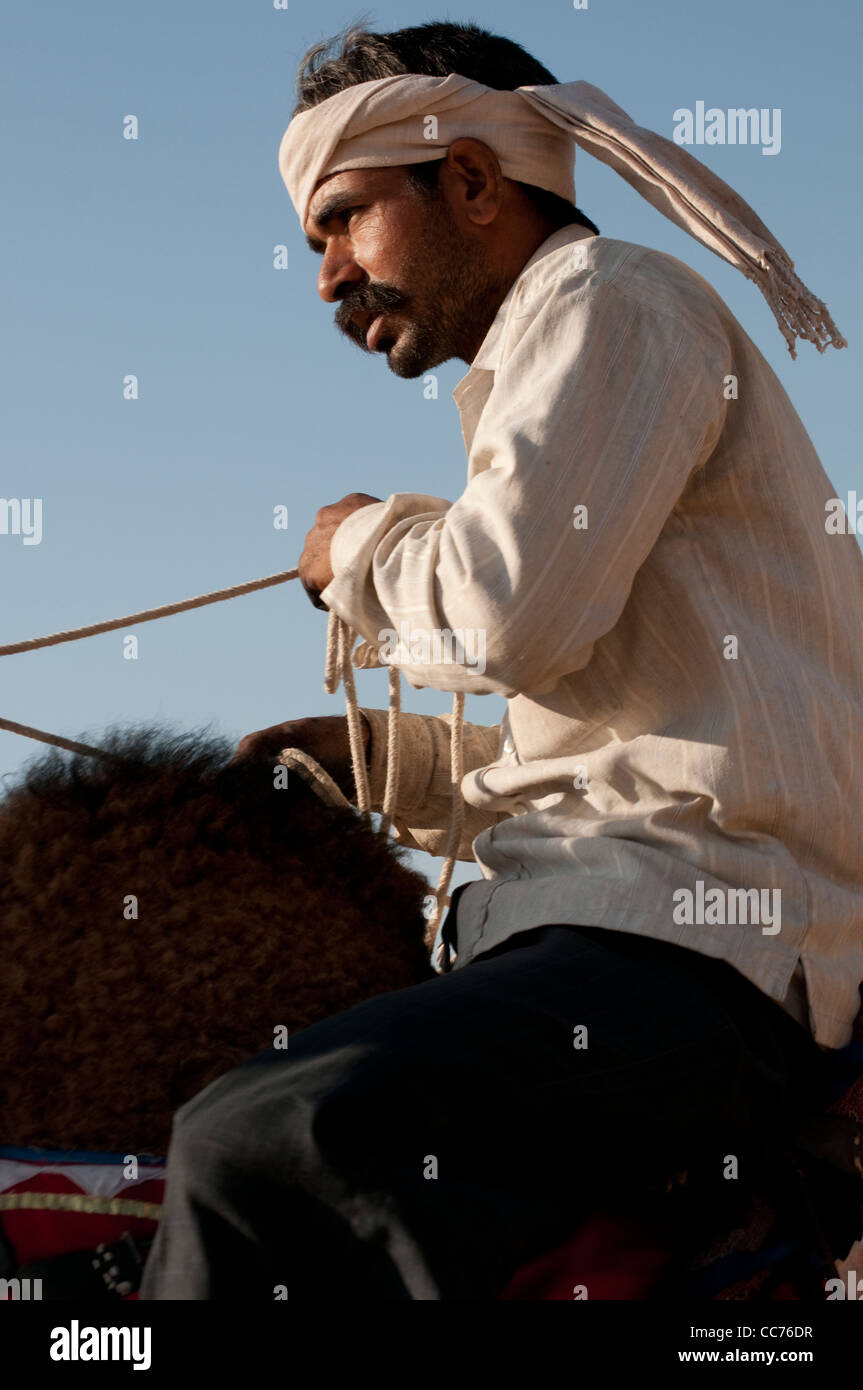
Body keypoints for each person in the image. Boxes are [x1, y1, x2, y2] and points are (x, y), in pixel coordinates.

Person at [140, 20, 862, 1300]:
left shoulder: (612, 304)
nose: (323, 278)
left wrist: (356, 544)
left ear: (469, 180)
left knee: (251, 1140)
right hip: (641, 938)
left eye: (343, 220)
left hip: (692, 951)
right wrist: (399, 765)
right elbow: (630, 733)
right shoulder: (565, 354)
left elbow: (505, 618)